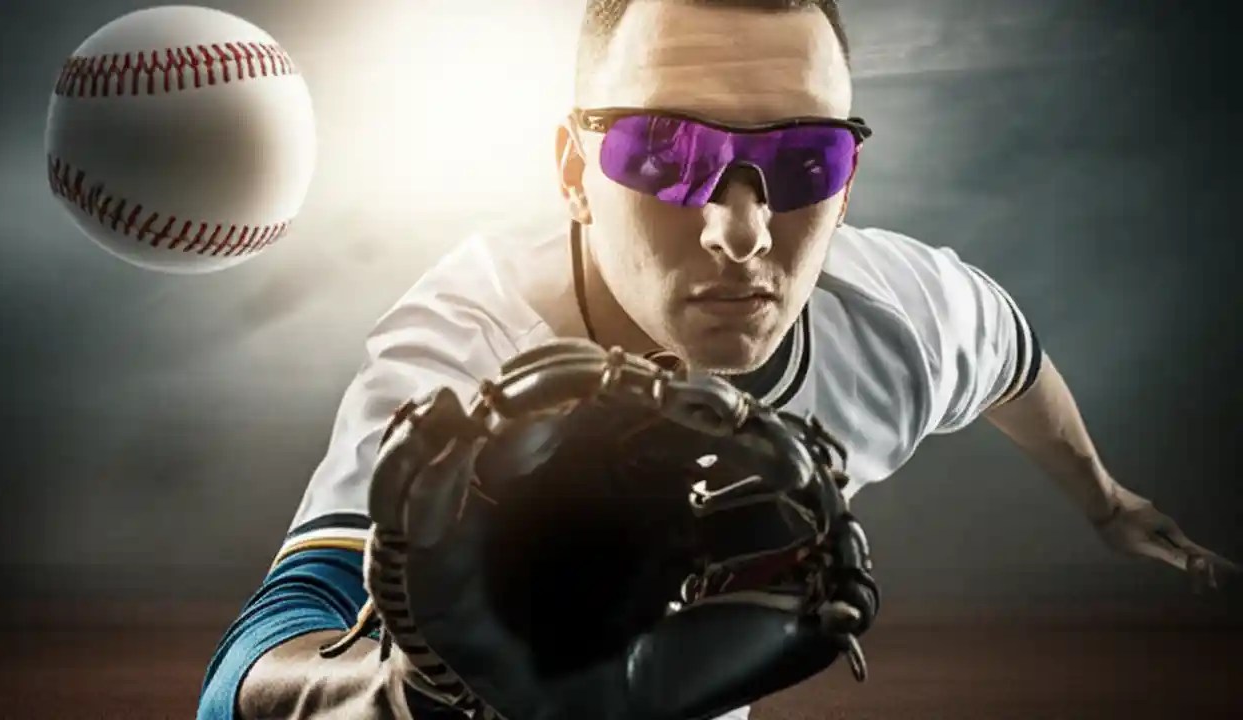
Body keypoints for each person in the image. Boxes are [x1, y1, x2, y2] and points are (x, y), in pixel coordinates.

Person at [196, 1, 1237, 718]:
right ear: (573, 170)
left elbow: (1010, 362)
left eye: (801, 160)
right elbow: (250, 671)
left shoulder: (901, 317)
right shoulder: (466, 362)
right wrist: (407, 698)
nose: (739, 232)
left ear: (849, 175)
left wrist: (1103, 502)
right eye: (663, 153)